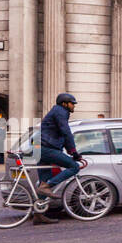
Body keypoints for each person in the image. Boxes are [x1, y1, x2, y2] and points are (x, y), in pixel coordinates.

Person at [36, 93, 84, 224]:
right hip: (46, 148)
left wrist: (70, 150)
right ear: (65, 103)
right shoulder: (60, 111)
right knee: (74, 166)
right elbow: (66, 132)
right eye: (72, 103)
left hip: (40, 148)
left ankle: (38, 215)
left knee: (43, 181)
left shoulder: (58, 111)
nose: (74, 106)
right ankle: (47, 186)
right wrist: (73, 152)